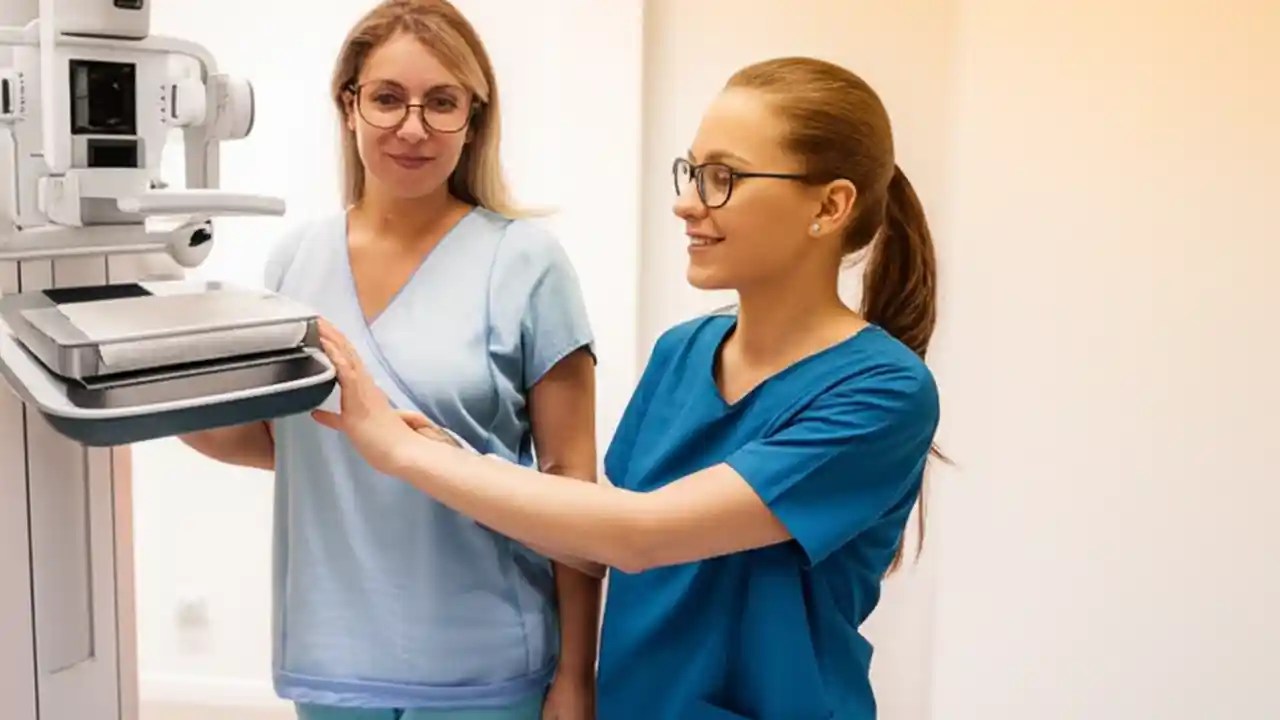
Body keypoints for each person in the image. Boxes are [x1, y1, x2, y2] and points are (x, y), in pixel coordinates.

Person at [313, 55, 943, 720]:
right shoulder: (684, 352)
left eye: (723, 178)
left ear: (830, 205)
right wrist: (447, 457)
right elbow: (593, 531)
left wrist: (408, 454)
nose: (686, 201)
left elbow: (640, 536)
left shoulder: (884, 393)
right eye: (693, 172)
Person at [178, 1, 600, 718]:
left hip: (489, 664)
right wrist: (150, 384)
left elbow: (574, 487)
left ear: (474, 116)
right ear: (349, 107)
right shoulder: (296, 260)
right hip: (332, 660)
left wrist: (576, 679)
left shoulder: (526, 263)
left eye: (442, 102)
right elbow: (282, 445)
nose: (413, 127)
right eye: (387, 99)